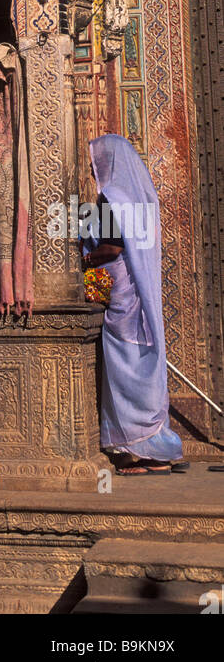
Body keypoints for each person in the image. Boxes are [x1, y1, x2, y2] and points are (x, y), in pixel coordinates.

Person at [82, 133, 184, 474]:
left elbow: (112, 248)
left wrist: (85, 259)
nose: (93, 170)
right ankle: (150, 448)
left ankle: (133, 447)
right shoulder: (140, 198)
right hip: (139, 295)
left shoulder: (109, 198)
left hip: (121, 295)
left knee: (122, 368)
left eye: (95, 163)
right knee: (142, 365)